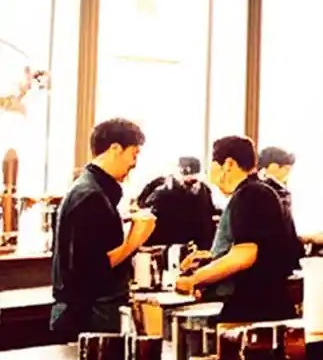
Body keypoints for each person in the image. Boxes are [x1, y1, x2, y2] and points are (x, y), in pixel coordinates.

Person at [50, 118, 156, 337]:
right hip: (88, 318)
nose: (134, 163)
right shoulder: (89, 195)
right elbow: (91, 267)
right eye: (134, 154)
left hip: (91, 314)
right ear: (115, 149)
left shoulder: (93, 190)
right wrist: (136, 238)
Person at [175, 135, 294, 323]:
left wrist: (194, 279)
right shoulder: (256, 192)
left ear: (228, 164)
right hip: (262, 307)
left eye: (213, 164)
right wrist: (210, 259)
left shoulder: (251, 194)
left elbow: (244, 255)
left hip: (255, 310)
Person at [137, 156, 218, 249]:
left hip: (192, 247)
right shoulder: (159, 187)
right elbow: (143, 207)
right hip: (165, 246)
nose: (189, 180)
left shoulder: (204, 191)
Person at [257, 146, 302, 270]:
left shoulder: (277, 189)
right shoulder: (267, 191)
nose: (288, 173)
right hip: (273, 258)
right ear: (273, 167)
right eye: (286, 169)